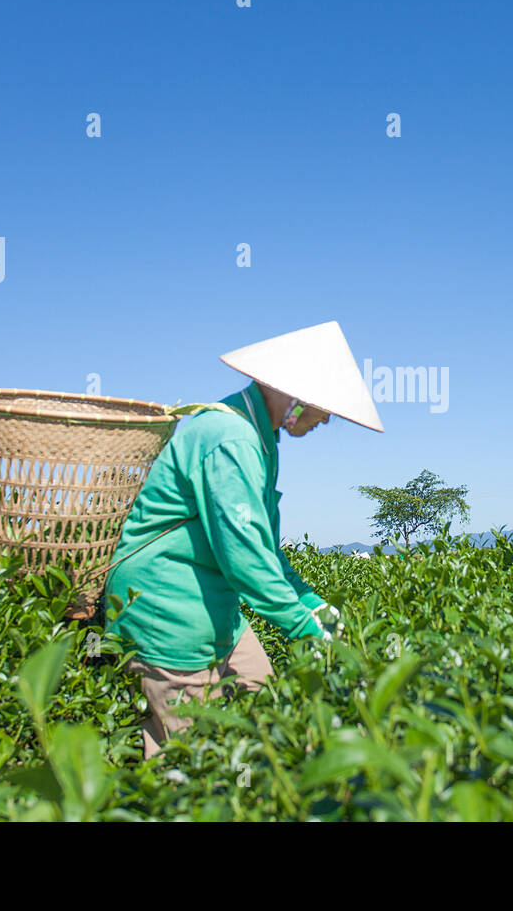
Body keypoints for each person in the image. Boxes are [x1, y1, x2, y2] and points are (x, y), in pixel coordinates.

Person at [105, 321, 383, 759]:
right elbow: (245, 559)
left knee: (266, 708)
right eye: (324, 406)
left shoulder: (260, 438)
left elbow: (266, 549)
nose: (327, 418)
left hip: (218, 611)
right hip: (169, 608)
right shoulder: (230, 436)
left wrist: (313, 603)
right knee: (199, 759)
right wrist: (304, 625)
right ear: (295, 395)